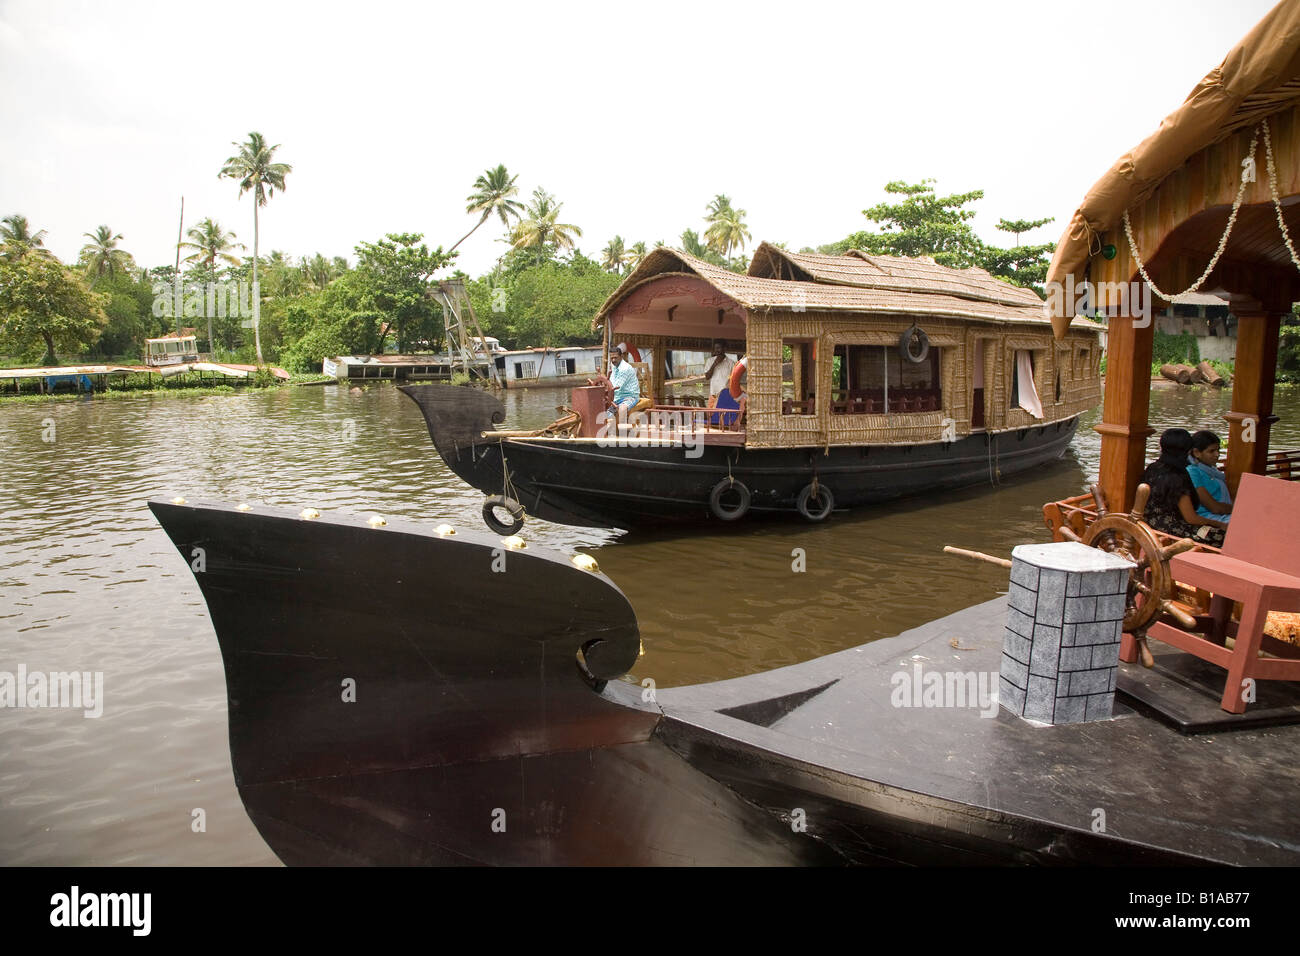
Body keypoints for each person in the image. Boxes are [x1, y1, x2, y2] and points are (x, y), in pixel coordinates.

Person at [1140, 428, 1227, 546]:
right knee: (1224, 535)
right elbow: (1191, 518)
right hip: (1171, 529)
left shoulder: (1153, 468)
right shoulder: (1178, 477)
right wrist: (1218, 524)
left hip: (1148, 524)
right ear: (1186, 451)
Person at [1187, 429, 1233, 524]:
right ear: (1196, 453)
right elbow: (1214, 507)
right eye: (1211, 451)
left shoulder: (1212, 470)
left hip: (1223, 514)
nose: (1217, 454)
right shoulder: (1193, 472)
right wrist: (1239, 511)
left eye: (1218, 450)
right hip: (1207, 518)